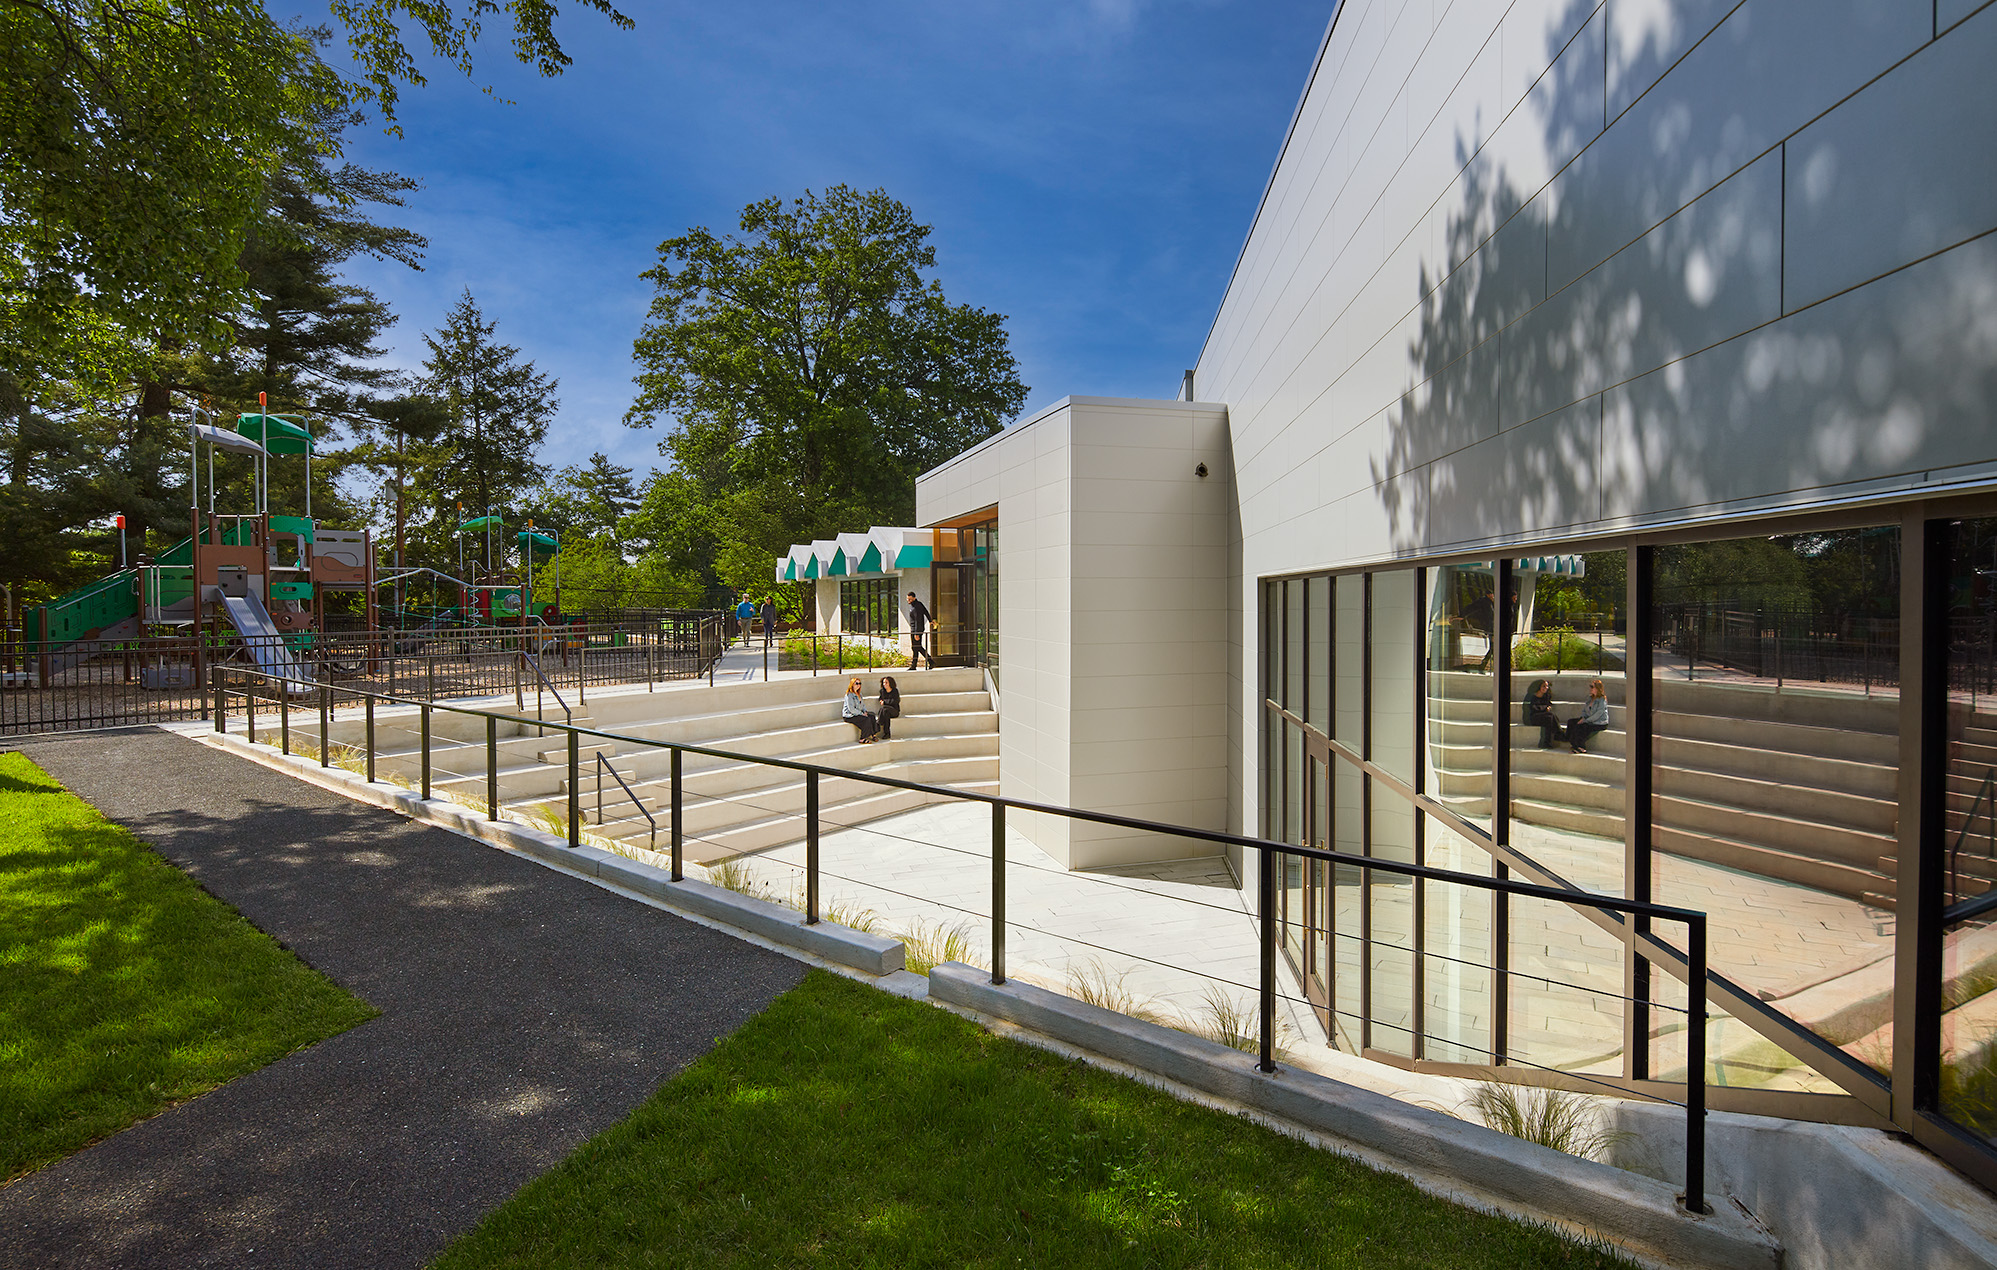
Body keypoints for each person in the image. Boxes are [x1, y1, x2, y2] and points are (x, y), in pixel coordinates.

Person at [1567, 678, 1610, 753]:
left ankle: (1581, 747)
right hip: (1589, 719)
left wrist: (1585, 720)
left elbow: (1598, 714)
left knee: (1582, 727)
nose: (1590, 688)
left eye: (1592, 687)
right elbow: (1584, 710)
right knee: (1571, 722)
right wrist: (1583, 718)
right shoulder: (1590, 698)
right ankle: (1573, 743)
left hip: (1599, 722)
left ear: (1597, 688)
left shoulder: (1602, 700)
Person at [1522, 678, 1560, 748]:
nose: (1546, 688)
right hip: (1531, 718)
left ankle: (1547, 742)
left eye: (1547, 686)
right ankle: (1558, 734)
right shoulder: (1531, 697)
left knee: (1550, 717)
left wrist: (1548, 707)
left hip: (1542, 716)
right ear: (1538, 686)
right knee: (1549, 717)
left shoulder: (1546, 695)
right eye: (1544, 686)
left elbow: (1548, 704)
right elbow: (1533, 709)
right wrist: (1545, 708)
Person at [842, 676, 879, 742]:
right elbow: (851, 709)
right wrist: (862, 714)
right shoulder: (849, 695)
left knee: (872, 715)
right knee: (866, 719)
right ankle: (862, 738)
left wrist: (865, 712)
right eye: (856, 683)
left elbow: (863, 705)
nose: (858, 685)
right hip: (850, 715)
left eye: (859, 683)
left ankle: (873, 734)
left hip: (858, 713)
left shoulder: (859, 694)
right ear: (852, 684)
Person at [905, 590, 933, 670]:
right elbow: (926, 612)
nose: (908, 601)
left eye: (910, 599)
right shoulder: (917, 604)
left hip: (916, 630)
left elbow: (918, 620)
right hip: (916, 630)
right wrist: (930, 620)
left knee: (917, 647)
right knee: (916, 647)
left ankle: (930, 661)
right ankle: (915, 665)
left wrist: (916, 633)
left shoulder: (916, 607)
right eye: (907, 599)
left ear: (914, 598)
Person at [876, 675, 901, 740]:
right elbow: (880, 698)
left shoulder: (895, 691)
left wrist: (884, 702)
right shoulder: (882, 691)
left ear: (890, 683)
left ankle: (878, 723)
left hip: (894, 711)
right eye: (883, 683)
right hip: (886, 712)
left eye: (886, 682)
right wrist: (881, 700)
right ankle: (887, 733)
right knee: (885, 712)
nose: (884, 684)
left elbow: (895, 701)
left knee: (884, 709)